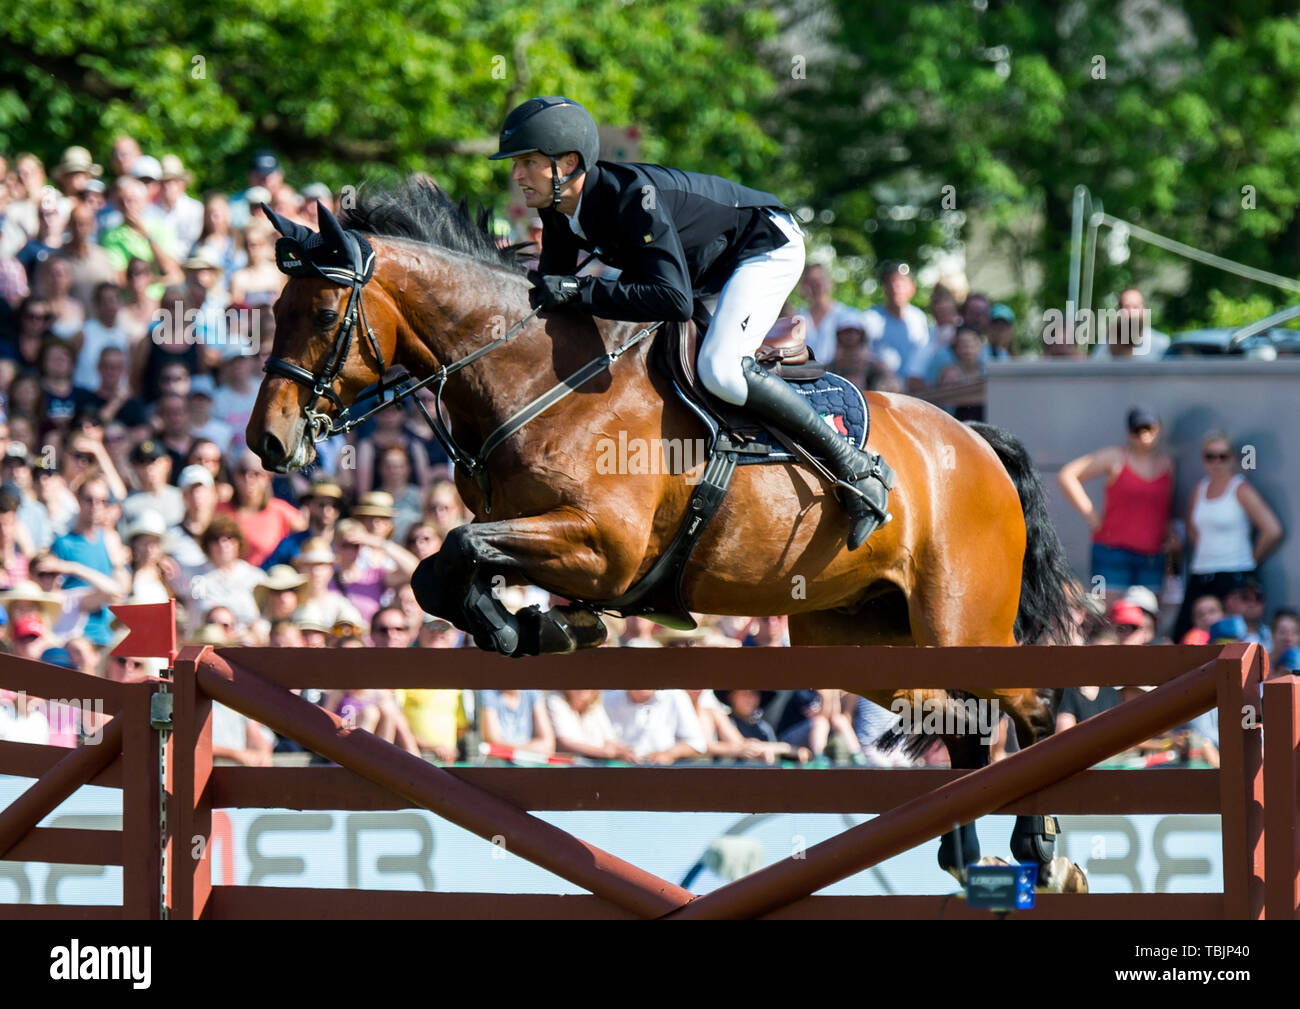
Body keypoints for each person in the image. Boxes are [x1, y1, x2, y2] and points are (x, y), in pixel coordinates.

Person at [490, 96, 894, 549]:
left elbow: (672, 300)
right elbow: (553, 297)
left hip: (762, 247)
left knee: (721, 370)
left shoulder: (631, 198)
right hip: (703, 263)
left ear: (567, 163)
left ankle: (857, 467)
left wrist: (580, 292)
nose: (516, 175)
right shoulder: (559, 208)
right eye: (517, 163)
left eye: (527, 162)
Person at [1172, 430, 1283, 640]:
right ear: (1203, 459)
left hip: (1234, 575)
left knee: (1233, 637)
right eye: (1210, 456)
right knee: (1187, 635)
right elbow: (1192, 528)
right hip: (1202, 573)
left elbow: (1272, 530)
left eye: (1222, 456)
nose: (1217, 462)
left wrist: (1249, 559)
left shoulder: (1240, 489)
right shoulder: (1200, 488)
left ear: (1232, 458)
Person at [1057, 406, 1175, 603]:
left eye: (1149, 429)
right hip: (1112, 553)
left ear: (1159, 430)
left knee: (1146, 618)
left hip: (1152, 556)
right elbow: (1068, 475)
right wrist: (1090, 514)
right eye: (1138, 430)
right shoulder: (1116, 457)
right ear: (1129, 433)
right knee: (1107, 617)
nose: (1144, 435)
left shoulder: (1167, 464)